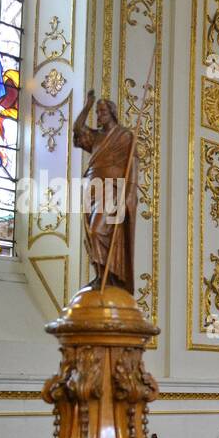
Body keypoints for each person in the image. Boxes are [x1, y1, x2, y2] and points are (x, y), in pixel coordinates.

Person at [73, 89, 138, 291]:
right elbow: (77, 130)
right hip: (92, 188)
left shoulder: (124, 136)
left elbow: (133, 166)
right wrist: (87, 106)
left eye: (102, 111)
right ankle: (101, 275)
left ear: (111, 113)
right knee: (90, 233)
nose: (99, 116)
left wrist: (129, 195)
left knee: (97, 230)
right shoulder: (95, 137)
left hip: (112, 188)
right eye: (97, 112)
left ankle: (110, 276)